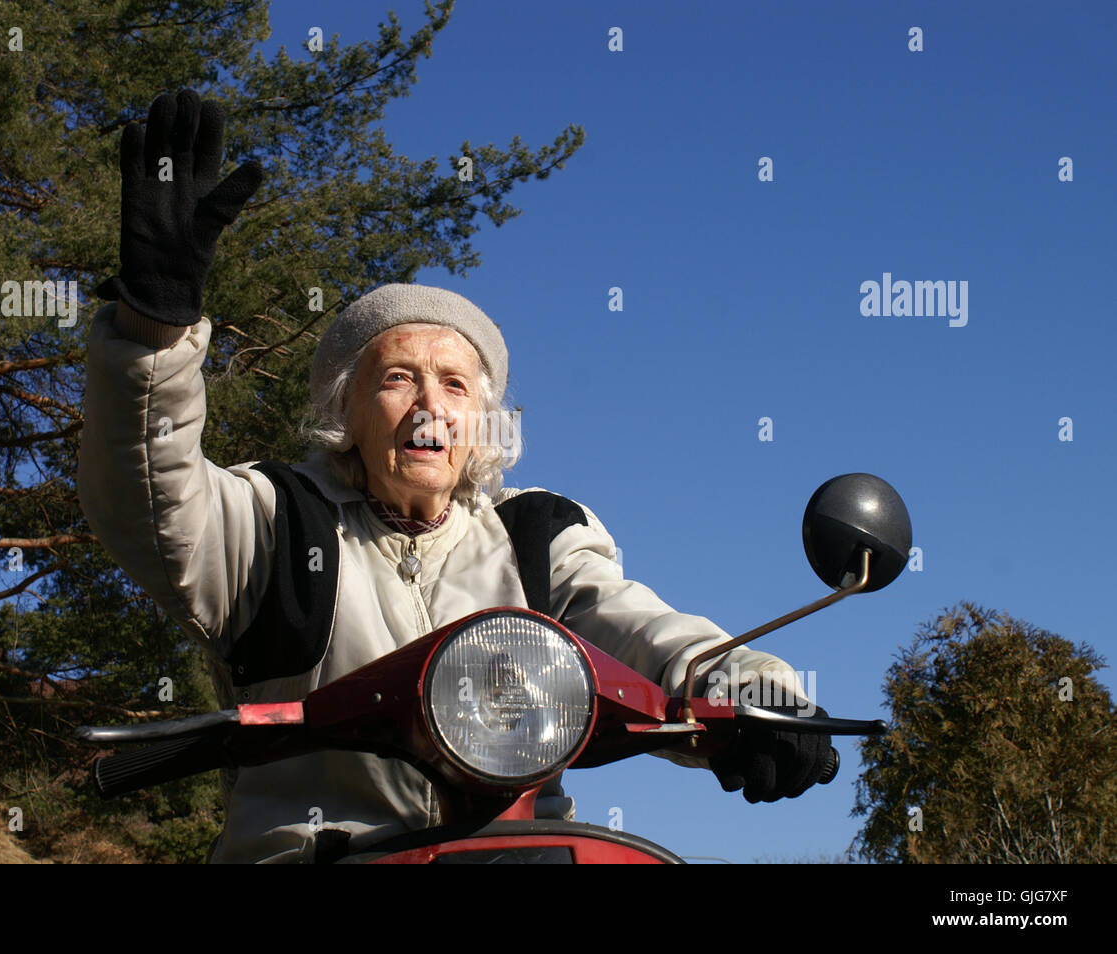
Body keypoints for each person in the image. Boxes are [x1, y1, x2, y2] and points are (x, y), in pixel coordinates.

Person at [78, 90, 833, 863]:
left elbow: (642, 634)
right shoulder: (275, 520)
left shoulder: (536, 537)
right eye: (397, 378)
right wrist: (154, 332)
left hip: (519, 856)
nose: (429, 406)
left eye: (456, 384)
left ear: (483, 424)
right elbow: (149, 500)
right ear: (349, 410)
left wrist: (756, 696)